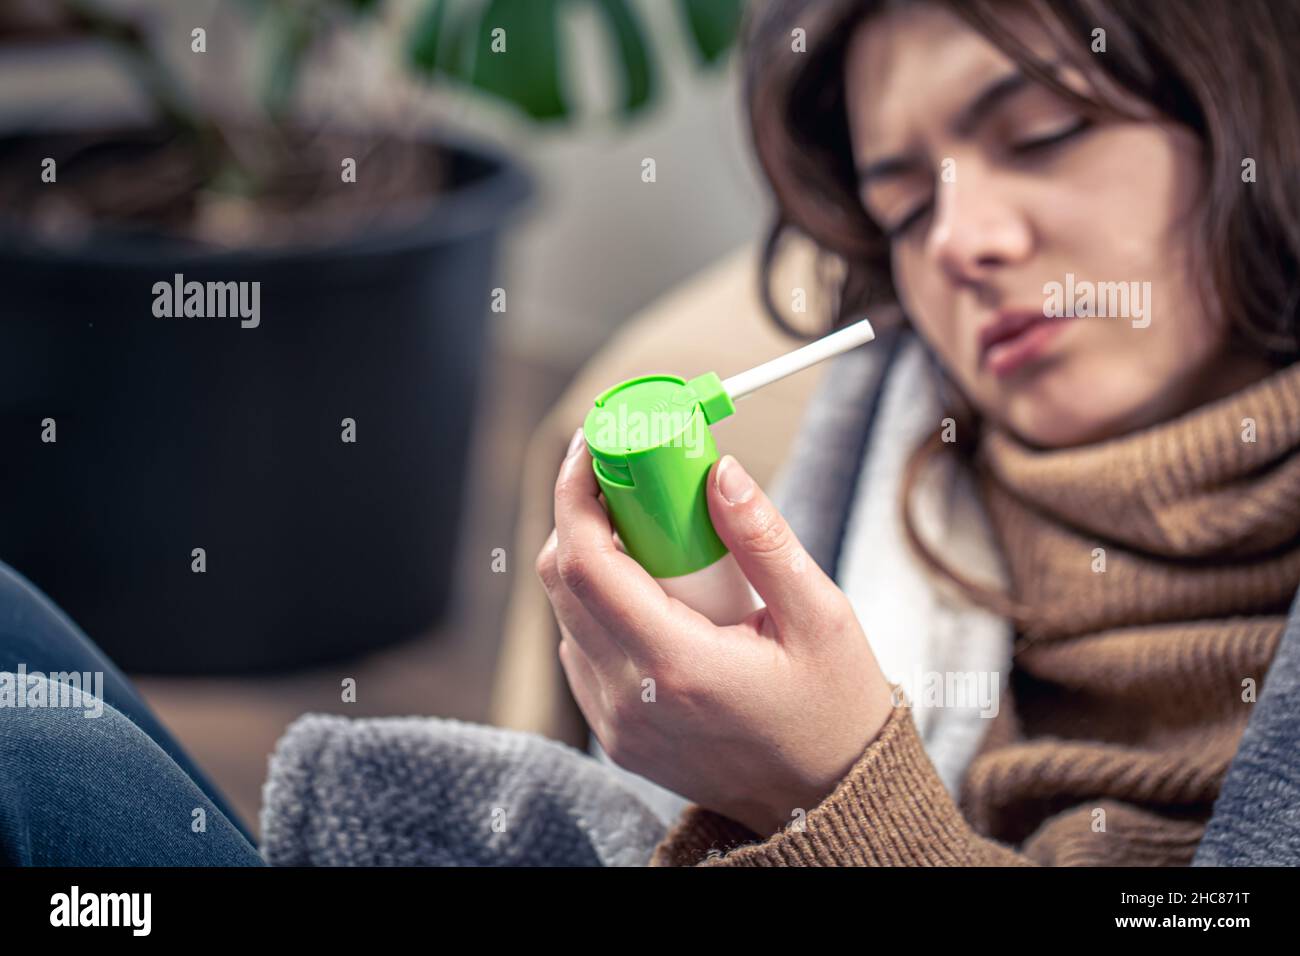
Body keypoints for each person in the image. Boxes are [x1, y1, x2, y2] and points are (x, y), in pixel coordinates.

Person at [535, 0, 1300, 865]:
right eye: (903, 211)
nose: (960, 243)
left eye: (1044, 134)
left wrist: (824, 795)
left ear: (1241, 107)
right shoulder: (889, 484)